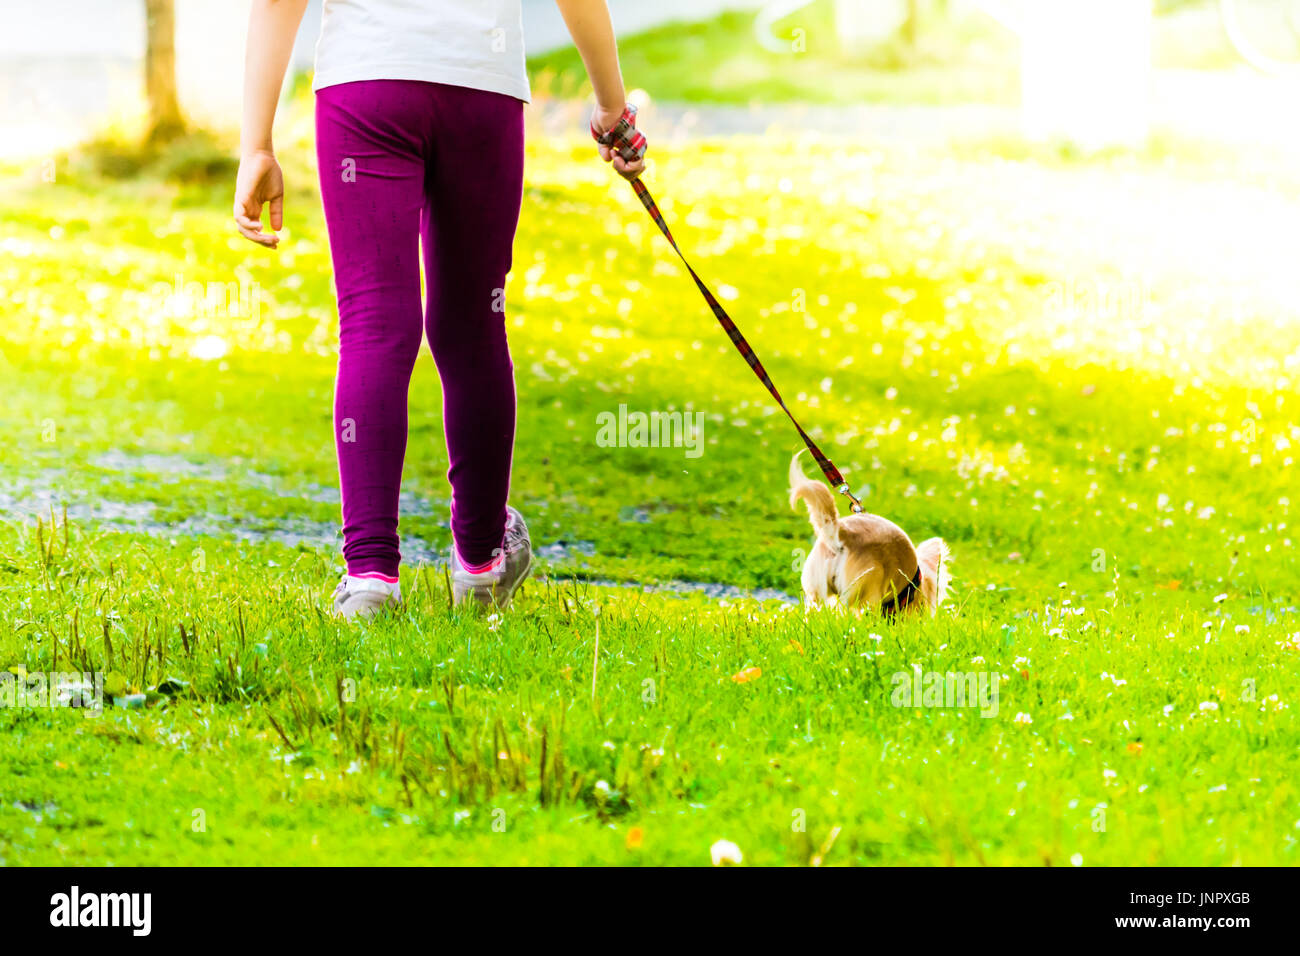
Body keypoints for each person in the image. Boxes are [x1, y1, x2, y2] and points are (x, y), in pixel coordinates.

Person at [233, 0, 646, 618]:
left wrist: (256, 145)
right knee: (474, 327)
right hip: (479, 87)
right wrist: (613, 109)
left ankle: (371, 576)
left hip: (365, 86)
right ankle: (481, 564)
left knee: (374, 325)